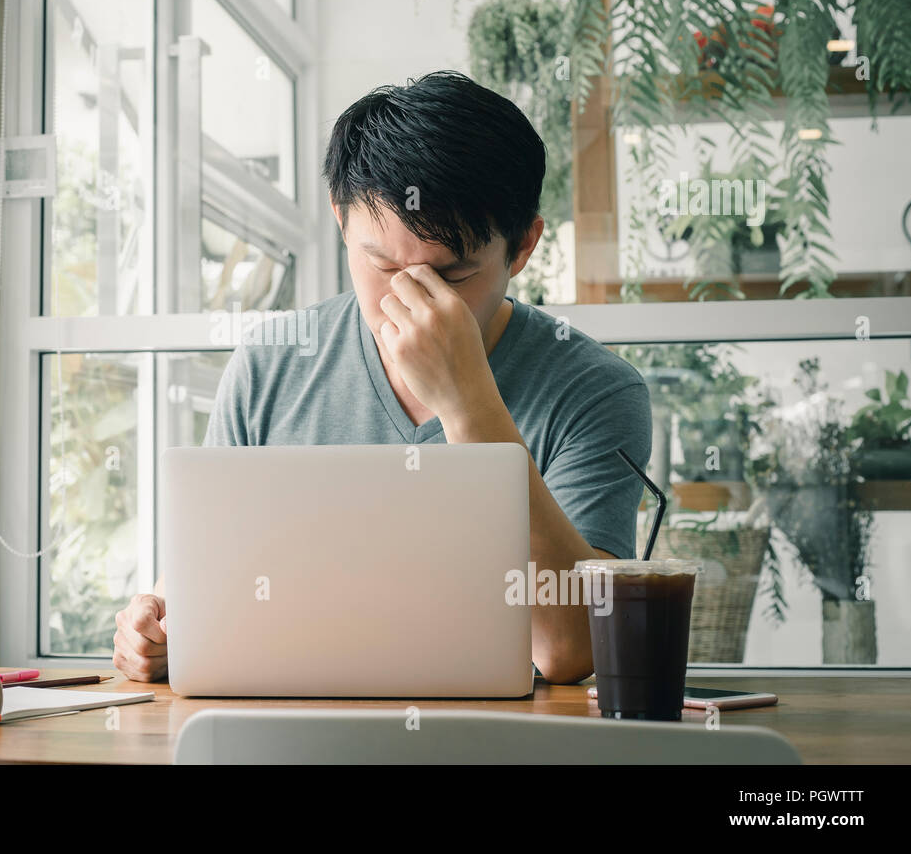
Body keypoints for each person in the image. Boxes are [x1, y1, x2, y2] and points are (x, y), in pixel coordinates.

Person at [113, 70, 651, 685]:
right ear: (341, 221)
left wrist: (467, 400)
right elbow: (191, 588)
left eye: (451, 276)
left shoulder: (596, 390)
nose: (408, 297)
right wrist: (152, 628)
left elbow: (572, 650)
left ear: (523, 248)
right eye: (380, 262)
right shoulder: (269, 365)